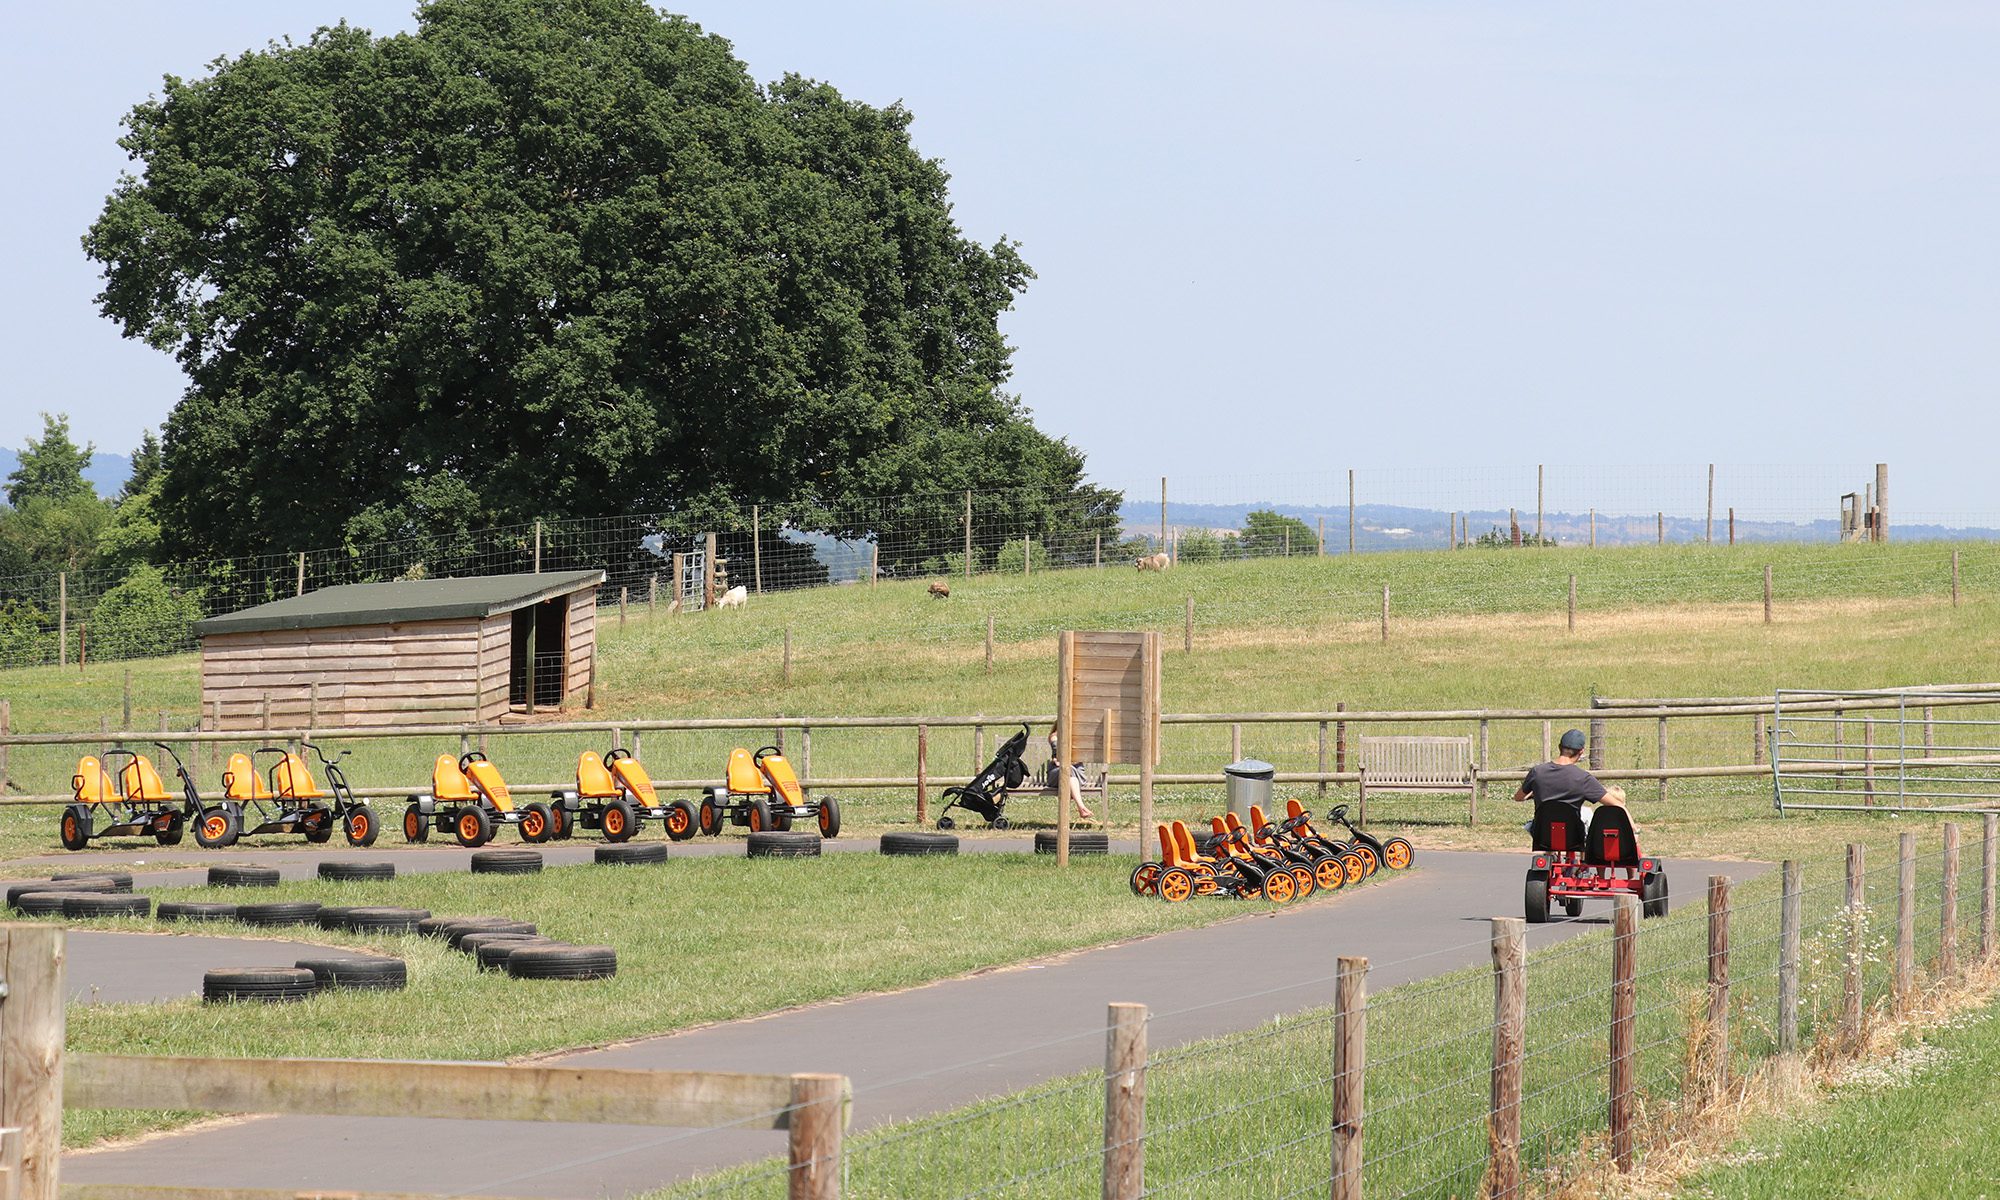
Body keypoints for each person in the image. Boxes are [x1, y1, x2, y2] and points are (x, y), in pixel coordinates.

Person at [1514, 728, 1607, 831]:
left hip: (1543, 834)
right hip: (1573, 837)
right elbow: (1615, 803)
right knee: (1587, 813)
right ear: (1581, 752)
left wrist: (1534, 794)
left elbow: (1518, 797)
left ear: (1559, 747)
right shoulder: (1583, 778)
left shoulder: (1537, 772)